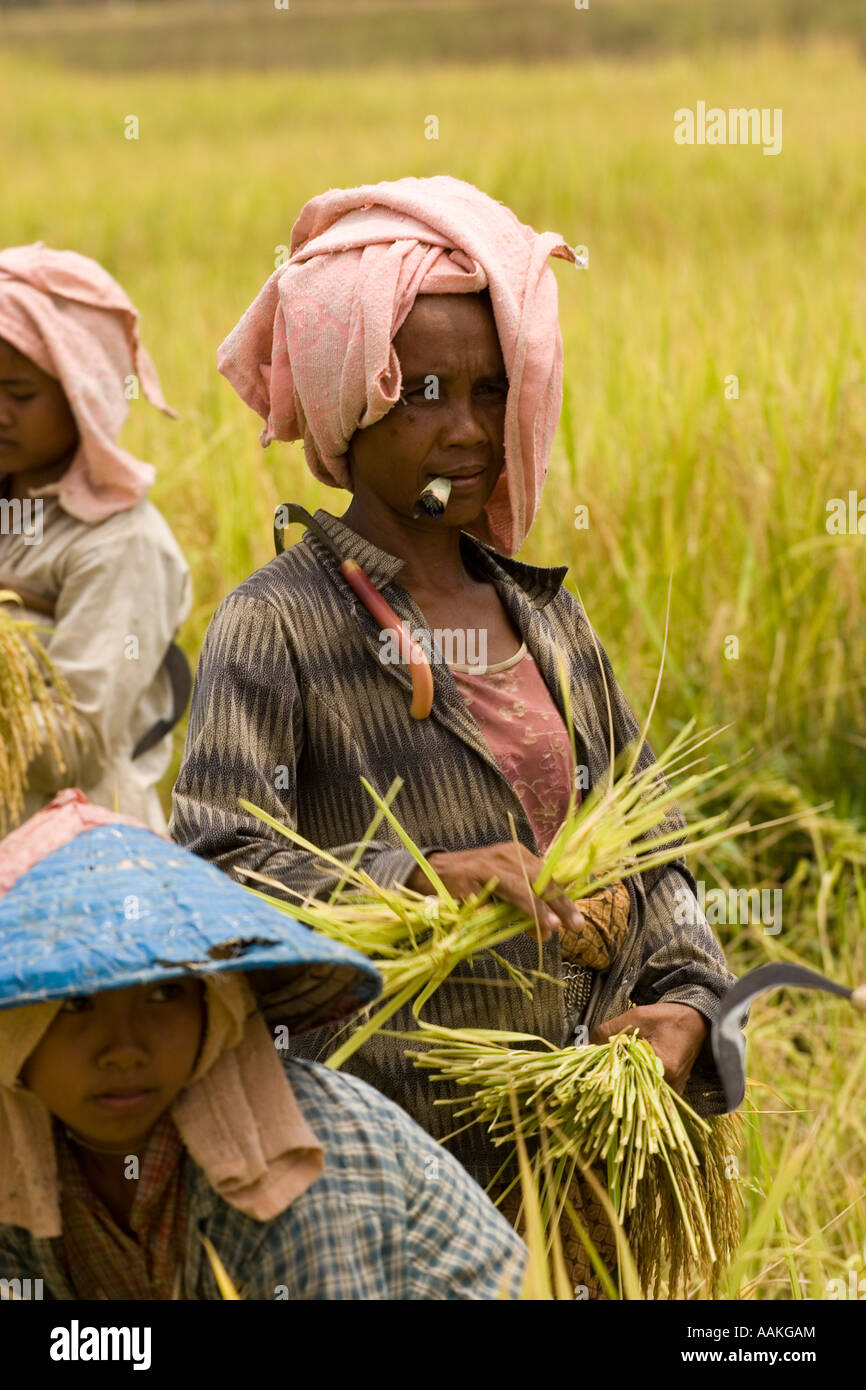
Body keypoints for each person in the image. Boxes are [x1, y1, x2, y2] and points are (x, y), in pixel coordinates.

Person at [168, 175, 738, 1288]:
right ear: (350, 399)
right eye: (425, 392)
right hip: (383, 1178)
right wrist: (417, 879)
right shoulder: (275, 624)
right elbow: (216, 880)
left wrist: (683, 1009)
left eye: (490, 389)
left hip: (578, 1160)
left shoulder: (549, 619)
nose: (469, 428)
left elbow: (655, 858)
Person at [0, 789, 527, 1301]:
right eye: (75, 1003)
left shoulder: (300, 1161)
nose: (124, 1050)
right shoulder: (20, 1155)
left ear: (216, 1009)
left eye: (165, 993)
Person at [0, 243, 192, 832]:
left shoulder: (120, 545)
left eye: (20, 394)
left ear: (84, 393)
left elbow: (73, 742)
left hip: (79, 863)